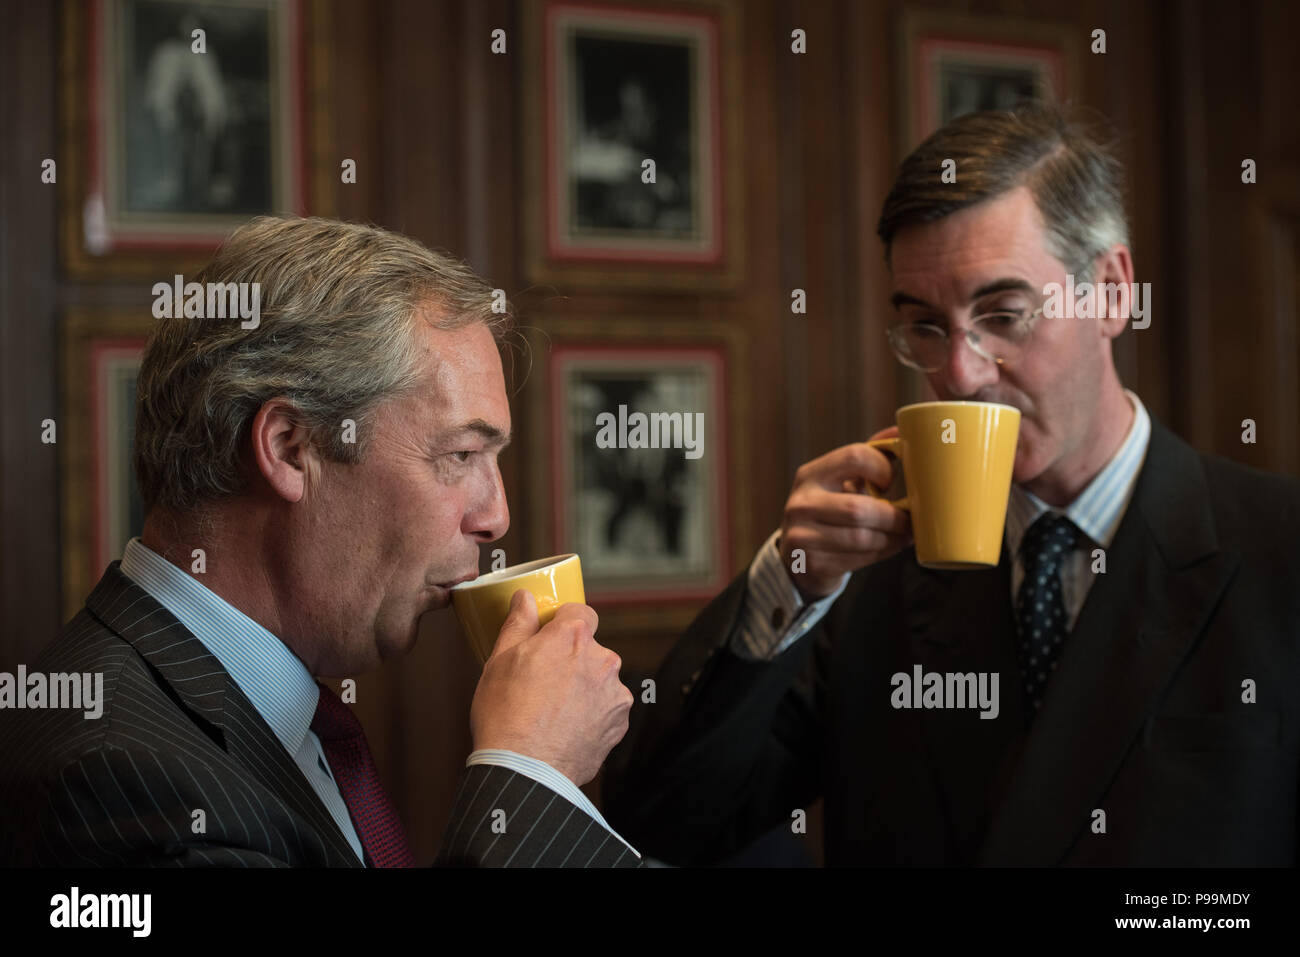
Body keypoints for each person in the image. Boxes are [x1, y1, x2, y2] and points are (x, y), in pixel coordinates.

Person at [603, 102, 1300, 866]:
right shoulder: (865, 581)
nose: (960, 374)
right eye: (926, 327)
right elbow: (659, 823)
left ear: (1110, 290)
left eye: (1002, 315)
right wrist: (787, 584)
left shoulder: (1278, 553)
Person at [0, 217, 637, 867]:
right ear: (290, 448)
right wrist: (531, 774)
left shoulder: (289, 713)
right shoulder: (111, 782)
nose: (495, 517)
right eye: (462, 452)